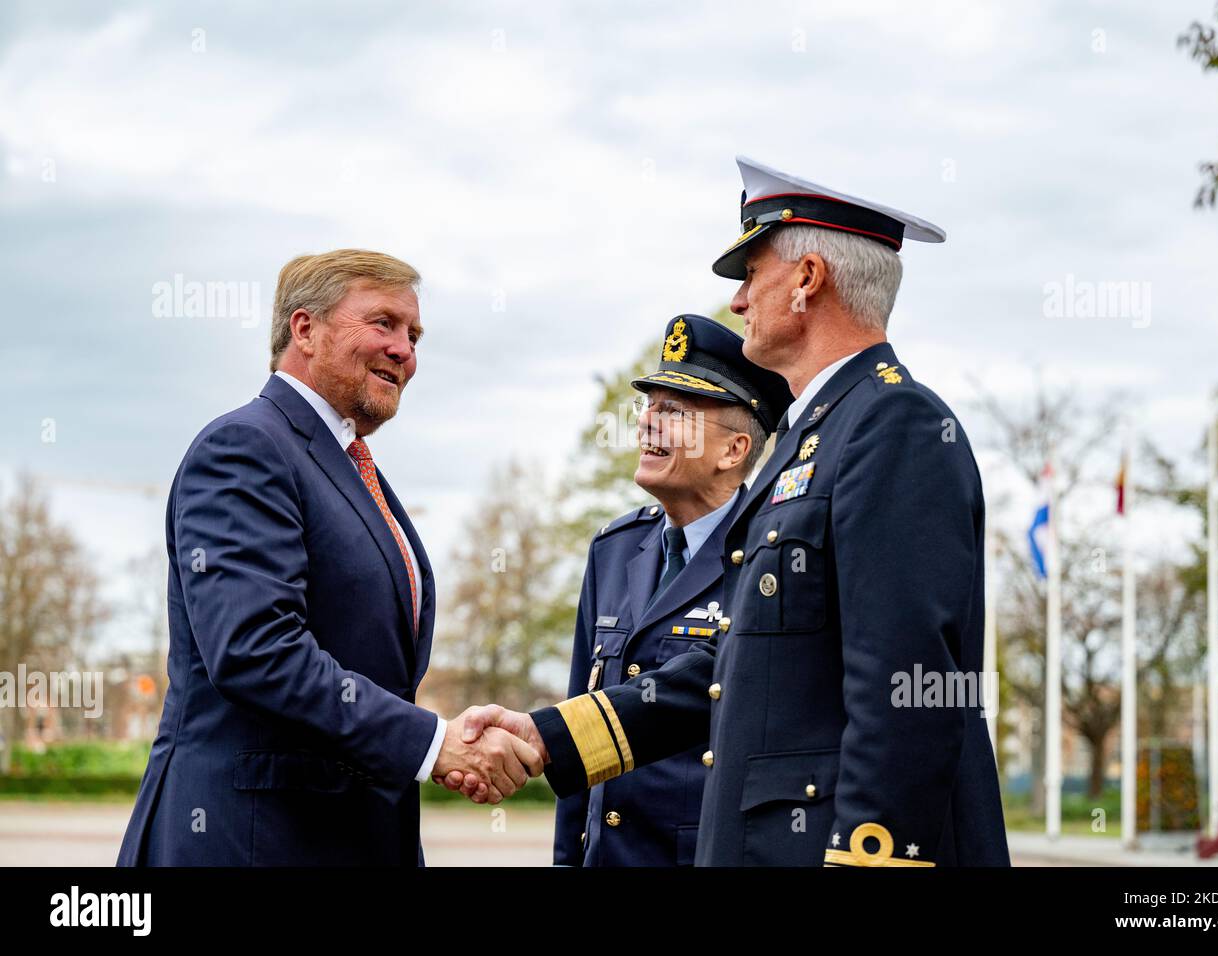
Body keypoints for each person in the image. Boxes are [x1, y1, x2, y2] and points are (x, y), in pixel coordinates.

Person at [445, 158, 1010, 867]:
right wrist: (546, 737)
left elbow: (907, 689)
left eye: (750, 273)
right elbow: (733, 664)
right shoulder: (816, 434)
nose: (739, 301)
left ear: (807, 279)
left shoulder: (893, 422)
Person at [117, 249, 541, 867]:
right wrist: (432, 743)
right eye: (384, 323)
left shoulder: (347, 465)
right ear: (305, 329)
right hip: (249, 842)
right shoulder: (245, 446)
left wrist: (438, 744)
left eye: (414, 335)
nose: (406, 351)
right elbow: (256, 650)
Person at [554, 314, 792, 866]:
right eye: (649, 409)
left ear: (733, 451)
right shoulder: (614, 548)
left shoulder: (773, 554)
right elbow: (579, 715)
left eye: (674, 414)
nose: (647, 426)